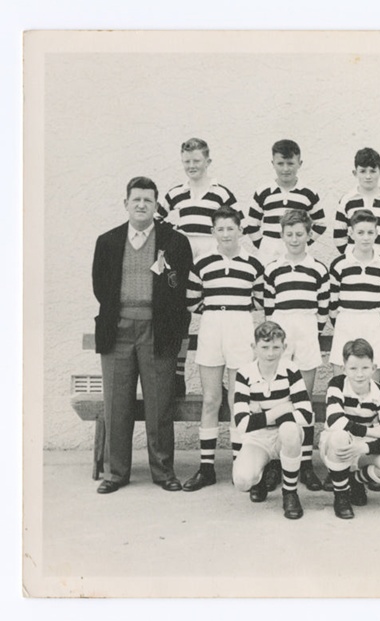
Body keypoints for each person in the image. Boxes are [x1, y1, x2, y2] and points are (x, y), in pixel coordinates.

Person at [92, 176, 192, 494]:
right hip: (117, 329)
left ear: (156, 205)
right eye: (136, 199)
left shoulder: (174, 241)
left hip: (157, 330)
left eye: (148, 200)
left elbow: (178, 286)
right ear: (126, 203)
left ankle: (163, 471)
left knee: (159, 404)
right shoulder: (107, 241)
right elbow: (100, 286)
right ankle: (115, 473)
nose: (141, 205)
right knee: (117, 404)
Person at [181, 206, 265, 491]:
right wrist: (217, 311)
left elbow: (260, 299)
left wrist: (235, 310)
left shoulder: (253, 264)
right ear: (212, 232)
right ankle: (206, 468)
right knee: (210, 399)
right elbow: (192, 301)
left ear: (240, 230)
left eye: (231, 228)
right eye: (220, 229)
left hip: (241, 326)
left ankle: (240, 465)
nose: (226, 234)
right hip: (211, 326)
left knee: (237, 400)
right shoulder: (202, 263)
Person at [156, 137, 240, 396]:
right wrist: (175, 234)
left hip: (210, 260)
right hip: (183, 259)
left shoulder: (221, 192)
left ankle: (219, 380)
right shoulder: (176, 192)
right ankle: (178, 374)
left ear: (208, 161)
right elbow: (156, 219)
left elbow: (237, 222)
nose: (191, 166)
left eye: (196, 160)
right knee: (181, 314)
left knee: (213, 316)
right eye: (186, 161)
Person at [262, 209, 329, 492]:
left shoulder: (318, 269)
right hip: (281, 327)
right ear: (282, 235)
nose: (294, 239)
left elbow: (323, 309)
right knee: (277, 398)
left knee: (303, 400)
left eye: (299, 234)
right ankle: (276, 463)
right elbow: (268, 307)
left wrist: (311, 331)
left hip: (306, 328)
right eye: (289, 234)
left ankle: (305, 463)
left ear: (309, 235)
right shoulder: (272, 268)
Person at [231, 321, 312, 520]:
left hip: (283, 436)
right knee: (242, 481)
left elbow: (306, 415)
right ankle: (260, 476)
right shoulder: (244, 374)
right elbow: (242, 423)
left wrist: (260, 415)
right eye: (264, 347)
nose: (270, 353)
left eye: (276, 347)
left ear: (284, 347)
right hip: (258, 439)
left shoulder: (291, 370)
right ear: (254, 347)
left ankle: (290, 492)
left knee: (290, 429)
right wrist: (281, 409)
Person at [321, 339, 380, 519]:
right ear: (344, 369)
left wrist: (364, 447)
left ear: (374, 368)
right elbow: (335, 420)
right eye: (353, 368)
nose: (359, 374)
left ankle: (355, 479)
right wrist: (371, 432)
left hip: (362, 447)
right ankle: (341, 496)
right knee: (340, 436)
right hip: (336, 446)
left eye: (365, 368)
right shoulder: (336, 384)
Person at [328, 209, 380, 379]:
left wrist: (375, 321)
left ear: (376, 234)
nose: (365, 237)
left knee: (373, 380)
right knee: (342, 379)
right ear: (351, 233)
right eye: (360, 232)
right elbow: (332, 302)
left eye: (370, 232)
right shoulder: (339, 265)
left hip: (373, 322)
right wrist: (343, 321)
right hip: (345, 321)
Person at [245, 139, 326, 268]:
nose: (285, 169)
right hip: (269, 254)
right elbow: (251, 224)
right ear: (273, 163)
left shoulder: (308, 193)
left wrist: (304, 242)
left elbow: (320, 223)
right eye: (280, 163)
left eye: (290, 163)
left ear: (300, 164)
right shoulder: (263, 192)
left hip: (297, 252)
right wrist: (262, 245)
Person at [333, 147, 380, 258]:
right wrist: (351, 255)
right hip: (353, 261)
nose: (368, 176)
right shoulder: (347, 200)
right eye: (363, 171)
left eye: (372, 171)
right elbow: (339, 236)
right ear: (355, 173)